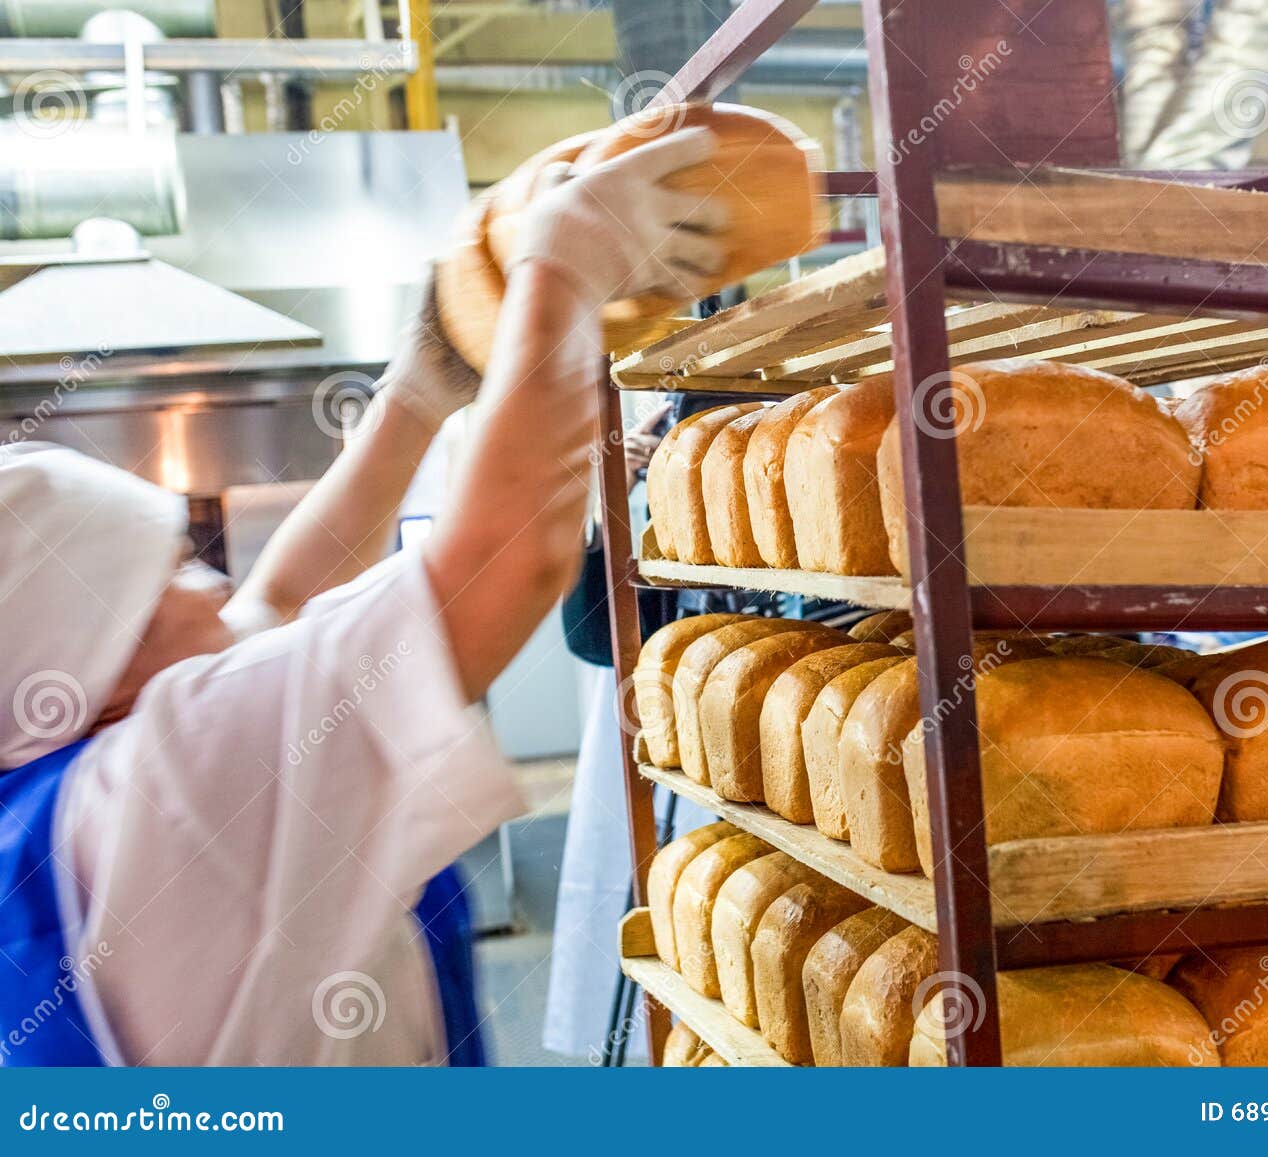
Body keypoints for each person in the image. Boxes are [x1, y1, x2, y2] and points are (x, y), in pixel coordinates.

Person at [0, 127, 728, 1066]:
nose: (214, 577)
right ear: (93, 664)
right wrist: (566, 269)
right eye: (170, 571)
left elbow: (278, 602)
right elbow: (504, 564)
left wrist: (421, 389)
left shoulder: (55, 798)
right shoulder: (161, 791)